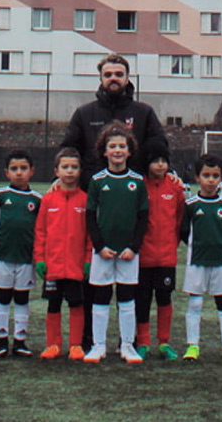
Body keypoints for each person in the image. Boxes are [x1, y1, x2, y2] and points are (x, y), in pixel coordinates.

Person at [85, 124, 149, 363]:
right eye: (112, 146)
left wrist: (134, 247)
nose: (117, 150)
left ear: (130, 151)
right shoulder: (97, 180)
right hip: (103, 251)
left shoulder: (137, 181)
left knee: (126, 298)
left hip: (128, 253)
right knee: (100, 297)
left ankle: (127, 346)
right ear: (104, 151)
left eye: (122, 146)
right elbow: (90, 215)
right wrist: (99, 245)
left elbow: (143, 217)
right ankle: (98, 346)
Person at [61, 55, 169, 177]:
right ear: (101, 79)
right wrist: (59, 177)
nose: (113, 78)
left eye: (119, 74)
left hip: (134, 188)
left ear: (127, 78)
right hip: (92, 188)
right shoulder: (84, 113)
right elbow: (69, 150)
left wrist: (169, 171)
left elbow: (159, 148)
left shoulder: (144, 112)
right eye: (108, 75)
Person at [181, 154, 222, 361]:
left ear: (221, 178)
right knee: (195, 304)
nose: (211, 180)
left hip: (219, 263)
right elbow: (184, 232)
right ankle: (193, 346)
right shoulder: (191, 204)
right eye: (206, 175)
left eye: (215, 175)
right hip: (196, 263)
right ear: (197, 178)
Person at [35, 146, 90, 360]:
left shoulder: (85, 200)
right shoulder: (48, 200)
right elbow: (40, 232)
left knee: (76, 304)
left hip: (76, 267)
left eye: (74, 167)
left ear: (80, 171)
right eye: (65, 167)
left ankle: (75, 345)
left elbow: (89, 237)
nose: (69, 171)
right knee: (53, 304)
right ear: (56, 171)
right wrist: (40, 259)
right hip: (54, 266)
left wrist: (87, 261)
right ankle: (53, 345)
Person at [0, 150, 42, 358]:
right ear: (6, 172)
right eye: (14, 169)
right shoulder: (0, 196)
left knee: (22, 299)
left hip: (26, 258)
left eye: (23, 168)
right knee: (2, 297)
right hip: (3, 257)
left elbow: (41, 228)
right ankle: (1, 341)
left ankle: (20, 341)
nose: (19, 173)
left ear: (32, 171)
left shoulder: (37, 199)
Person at [136, 147, 185, 358]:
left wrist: (171, 243)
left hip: (166, 256)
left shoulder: (175, 188)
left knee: (164, 298)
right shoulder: (138, 186)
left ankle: (164, 342)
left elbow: (180, 219)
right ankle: (143, 342)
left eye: (164, 160)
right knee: (143, 299)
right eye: (155, 160)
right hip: (142, 257)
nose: (160, 165)